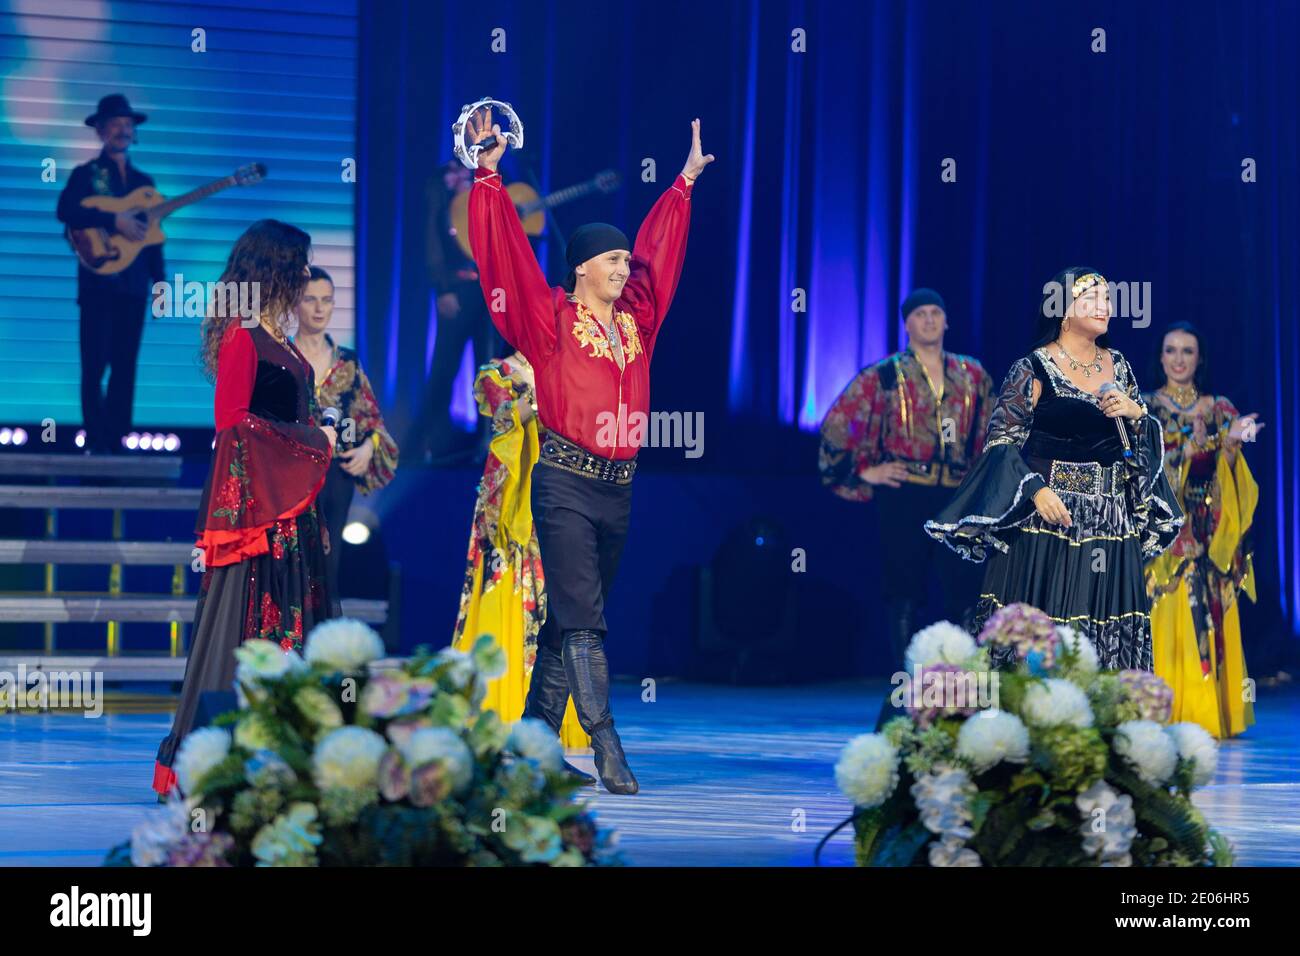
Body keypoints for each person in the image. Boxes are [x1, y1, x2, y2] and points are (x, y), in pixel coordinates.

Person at [467, 106, 712, 793]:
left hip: (619, 486)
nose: (624, 267)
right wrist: (488, 179)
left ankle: (529, 748)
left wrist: (683, 186)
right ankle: (606, 744)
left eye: (624, 260)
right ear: (580, 268)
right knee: (587, 619)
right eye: (611, 260)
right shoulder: (548, 320)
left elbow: (661, 255)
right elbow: (508, 263)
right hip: (565, 483)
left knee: (570, 617)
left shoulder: (638, 318)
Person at [153, 220, 339, 796]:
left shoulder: (273, 335)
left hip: (292, 515)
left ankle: (292, 761)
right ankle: (223, 762)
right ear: (274, 269)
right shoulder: (242, 337)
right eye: (300, 265)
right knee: (245, 633)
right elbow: (233, 430)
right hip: (260, 521)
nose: (307, 275)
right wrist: (314, 445)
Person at [925, 268, 1183, 670]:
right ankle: (1031, 718)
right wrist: (1035, 490)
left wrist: (1137, 414)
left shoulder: (1119, 365)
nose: (1105, 306)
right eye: (1092, 298)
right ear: (1063, 310)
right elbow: (1001, 443)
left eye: (1107, 299)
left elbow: (1139, 452)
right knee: (1047, 628)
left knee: (1104, 632)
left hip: (1110, 520)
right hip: (1050, 518)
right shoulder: (1032, 368)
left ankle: (1106, 726)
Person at [818, 289, 995, 666]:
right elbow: (836, 423)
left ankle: (963, 677)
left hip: (957, 496)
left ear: (946, 321)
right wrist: (867, 470)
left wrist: (983, 484)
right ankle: (907, 682)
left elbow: (993, 431)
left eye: (936, 312)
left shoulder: (972, 374)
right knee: (904, 589)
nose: (929, 320)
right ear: (907, 324)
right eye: (920, 314)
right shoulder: (884, 375)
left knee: (964, 590)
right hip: (905, 492)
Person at [450, 351, 593, 782]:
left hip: (554, 494)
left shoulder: (560, 368)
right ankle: (497, 705)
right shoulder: (495, 372)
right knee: (504, 590)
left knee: (550, 603)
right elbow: (508, 415)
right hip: (507, 505)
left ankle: (547, 716)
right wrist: (534, 385)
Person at [1144, 321, 1261, 737]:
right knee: (1167, 607)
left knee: (1209, 609)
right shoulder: (1145, 409)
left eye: (1187, 351)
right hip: (1164, 526)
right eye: (1171, 350)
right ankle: (1163, 710)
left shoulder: (1219, 409)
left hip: (1209, 526)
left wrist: (1229, 446)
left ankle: (1208, 714)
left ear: (1199, 359)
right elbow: (1140, 471)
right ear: (1160, 358)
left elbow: (1233, 475)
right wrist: (1183, 454)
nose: (1178, 359)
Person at [55, 93, 164, 454]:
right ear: (101, 131)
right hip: (98, 287)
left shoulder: (144, 181)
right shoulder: (85, 175)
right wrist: (112, 219)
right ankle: (95, 440)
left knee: (124, 366)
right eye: (115, 124)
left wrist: (160, 282)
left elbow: (152, 237)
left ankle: (116, 442)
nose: (122, 130)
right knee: (94, 365)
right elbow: (66, 211)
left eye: (127, 125)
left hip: (133, 288)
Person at [293, 266, 399, 598]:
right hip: (290, 476)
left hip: (336, 476)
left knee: (328, 561)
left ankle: (319, 639)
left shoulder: (347, 363)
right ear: (295, 302)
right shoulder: (283, 357)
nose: (319, 308)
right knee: (291, 560)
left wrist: (369, 447)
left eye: (326, 300)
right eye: (310, 299)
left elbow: (372, 420)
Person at [424, 160, 496, 464]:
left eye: (464, 170)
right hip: (458, 289)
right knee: (445, 368)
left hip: (490, 292)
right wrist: (443, 288)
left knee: (490, 368)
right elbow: (432, 247)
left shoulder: (484, 202)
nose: (459, 175)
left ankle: (488, 441)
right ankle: (432, 444)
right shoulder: (441, 207)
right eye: (452, 171)